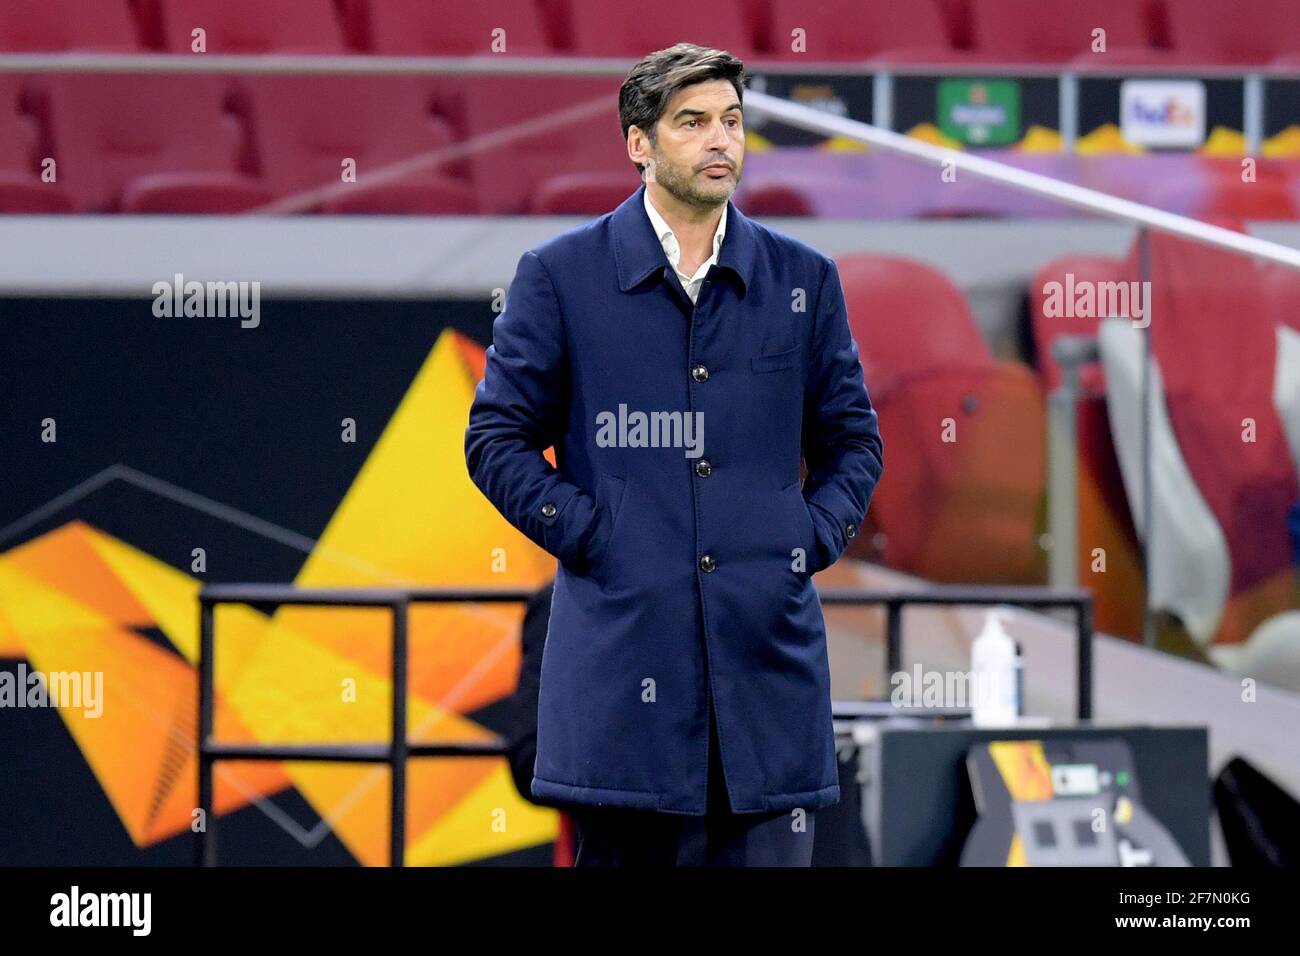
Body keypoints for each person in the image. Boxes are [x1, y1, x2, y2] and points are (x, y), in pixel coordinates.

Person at [465, 42, 883, 866]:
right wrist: (594, 535)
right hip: (624, 692)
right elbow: (495, 438)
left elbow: (853, 440)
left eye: (732, 121)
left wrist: (808, 537)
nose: (720, 139)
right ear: (639, 143)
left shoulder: (804, 279)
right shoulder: (560, 277)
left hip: (767, 687)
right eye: (692, 122)